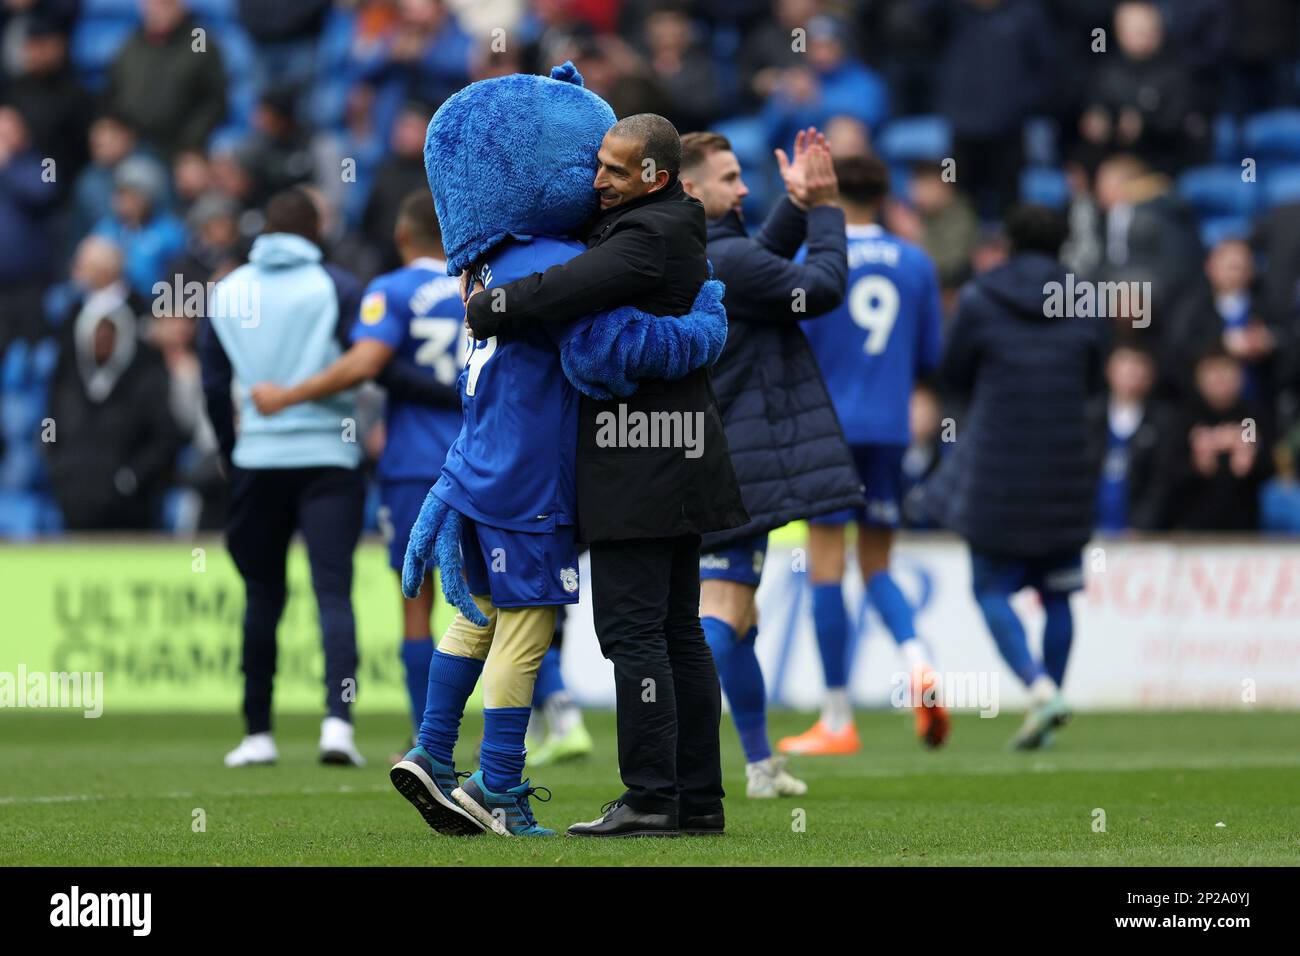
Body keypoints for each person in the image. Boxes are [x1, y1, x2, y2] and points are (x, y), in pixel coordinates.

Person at [392, 68, 733, 838]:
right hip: (533, 472)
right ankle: (502, 784)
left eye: (612, 169)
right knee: (543, 624)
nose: (595, 179)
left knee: (495, 616)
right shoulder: (551, 253)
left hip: (489, 458)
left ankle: (442, 754)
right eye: (591, 163)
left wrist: (490, 307)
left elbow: (587, 320)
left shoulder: (494, 258)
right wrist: (709, 323)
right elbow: (599, 351)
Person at [248, 191, 466, 755]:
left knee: (416, 601)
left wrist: (288, 396)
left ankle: (429, 739)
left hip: (418, 465)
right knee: (496, 597)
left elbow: (366, 363)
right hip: (487, 460)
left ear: (401, 236)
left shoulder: (391, 290)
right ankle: (546, 714)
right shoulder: (481, 288)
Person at [677, 127, 859, 798]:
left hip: (705, 450)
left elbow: (754, 262)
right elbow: (820, 288)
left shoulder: (694, 250)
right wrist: (830, 208)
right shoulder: (724, 260)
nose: (743, 185)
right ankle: (677, 752)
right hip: (740, 457)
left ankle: (758, 764)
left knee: (741, 619)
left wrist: (795, 203)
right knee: (722, 614)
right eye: (730, 178)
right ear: (690, 187)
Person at [923, 204, 1107, 750]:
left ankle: (1039, 687)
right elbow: (1096, 378)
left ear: (1007, 241)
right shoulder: (1083, 296)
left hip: (998, 466)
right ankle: (1047, 701)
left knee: (989, 588)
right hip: (1065, 464)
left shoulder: (981, 297)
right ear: (1063, 243)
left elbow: (951, 371)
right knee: (1058, 595)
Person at [784, 154, 949, 755]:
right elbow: (932, 354)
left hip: (825, 426)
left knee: (825, 562)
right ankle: (919, 660)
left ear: (829, 193)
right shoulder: (915, 262)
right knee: (877, 563)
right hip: (888, 429)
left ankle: (836, 717)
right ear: (885, 192)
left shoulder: (811, 259)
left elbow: (791, 349)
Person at [199, 187, 368, 769]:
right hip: (329, 457)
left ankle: (257, 733)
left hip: (258, 460)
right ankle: (337, 726)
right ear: (314, 228)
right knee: (333, 592)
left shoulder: (227, 291)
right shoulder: (338, 286)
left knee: (261, 595)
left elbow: (215, 387)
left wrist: (232, 448)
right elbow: (362, 364)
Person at [45, 237, 180, 530]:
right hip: (76, 482)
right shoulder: (71, 317)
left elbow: (163, 429)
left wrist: (133, 476)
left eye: (83, 264)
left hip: (130, 491)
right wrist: (56, 462)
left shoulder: (143, 316)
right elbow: (52, 409)